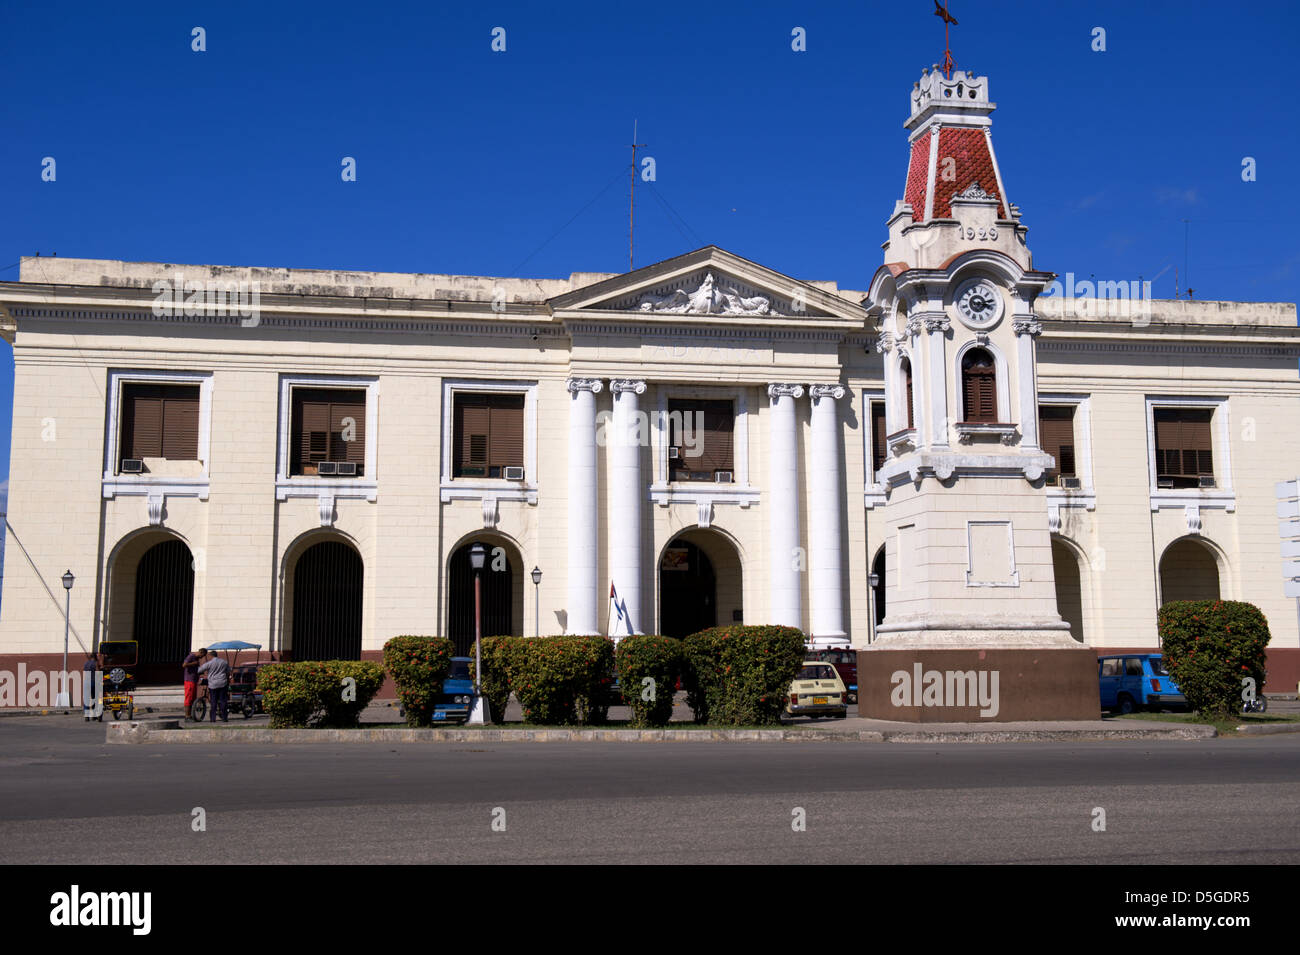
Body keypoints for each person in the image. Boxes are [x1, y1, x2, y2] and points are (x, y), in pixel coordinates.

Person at [197, 650, 231, 722]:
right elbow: (228, 671)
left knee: (213, 701)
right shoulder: (224, 662)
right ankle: (225, 718)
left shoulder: (209, 663)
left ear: (211, 656)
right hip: (222, 683)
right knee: (223, 701)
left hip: (213, 684)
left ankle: (213, 718)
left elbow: (199, 670)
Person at [182, 647, 206, 720]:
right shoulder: (191, 656)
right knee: (188, 698)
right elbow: (184, 665)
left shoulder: (197, 659)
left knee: (192, 698)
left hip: (194, 680)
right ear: (200, 652)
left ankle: (190, 715)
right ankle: (187, 716)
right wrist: (193, 663)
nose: (202, 657)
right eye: (202, 655)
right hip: (189, 680)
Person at [82, 652, 101, 721]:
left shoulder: (86, 663)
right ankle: (94, 715)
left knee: (86, 699)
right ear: (95, 657)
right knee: (94, 698)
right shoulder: (95, 663)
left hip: (86, 682)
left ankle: (86, 715)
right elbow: (98, 672)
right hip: (93, 682)